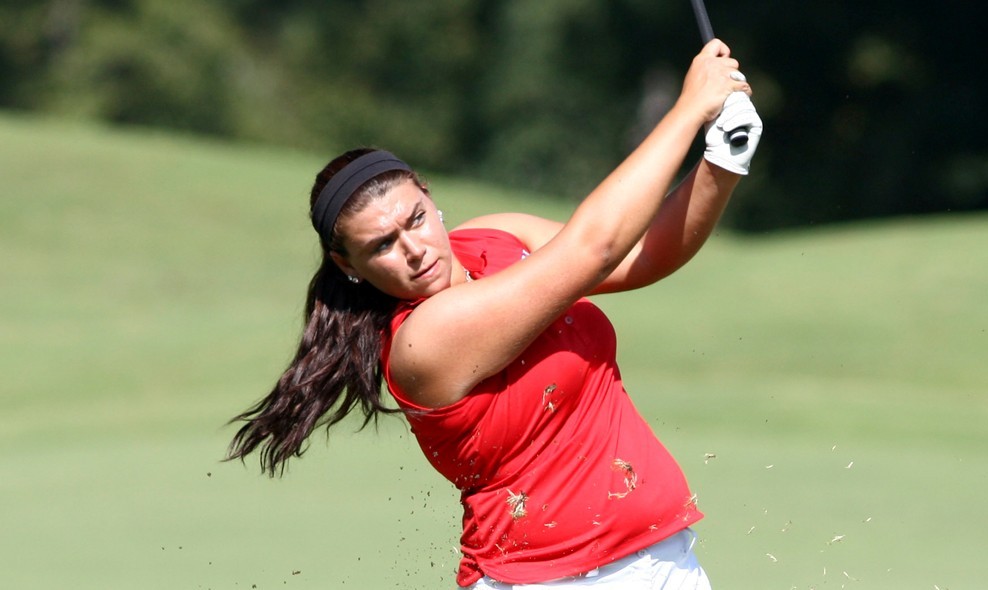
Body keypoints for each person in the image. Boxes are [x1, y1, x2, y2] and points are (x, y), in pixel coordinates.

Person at [227, 38, 762, 589]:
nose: (414, 248)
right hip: (549, 581)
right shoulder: (423, 341)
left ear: (431, 200)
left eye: (415, 219)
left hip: (662, 558)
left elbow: (642, 256)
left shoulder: (498, 235)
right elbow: (592, 247)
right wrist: (689, 109)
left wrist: (724, 161)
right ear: (348, 265)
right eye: (382, 245)